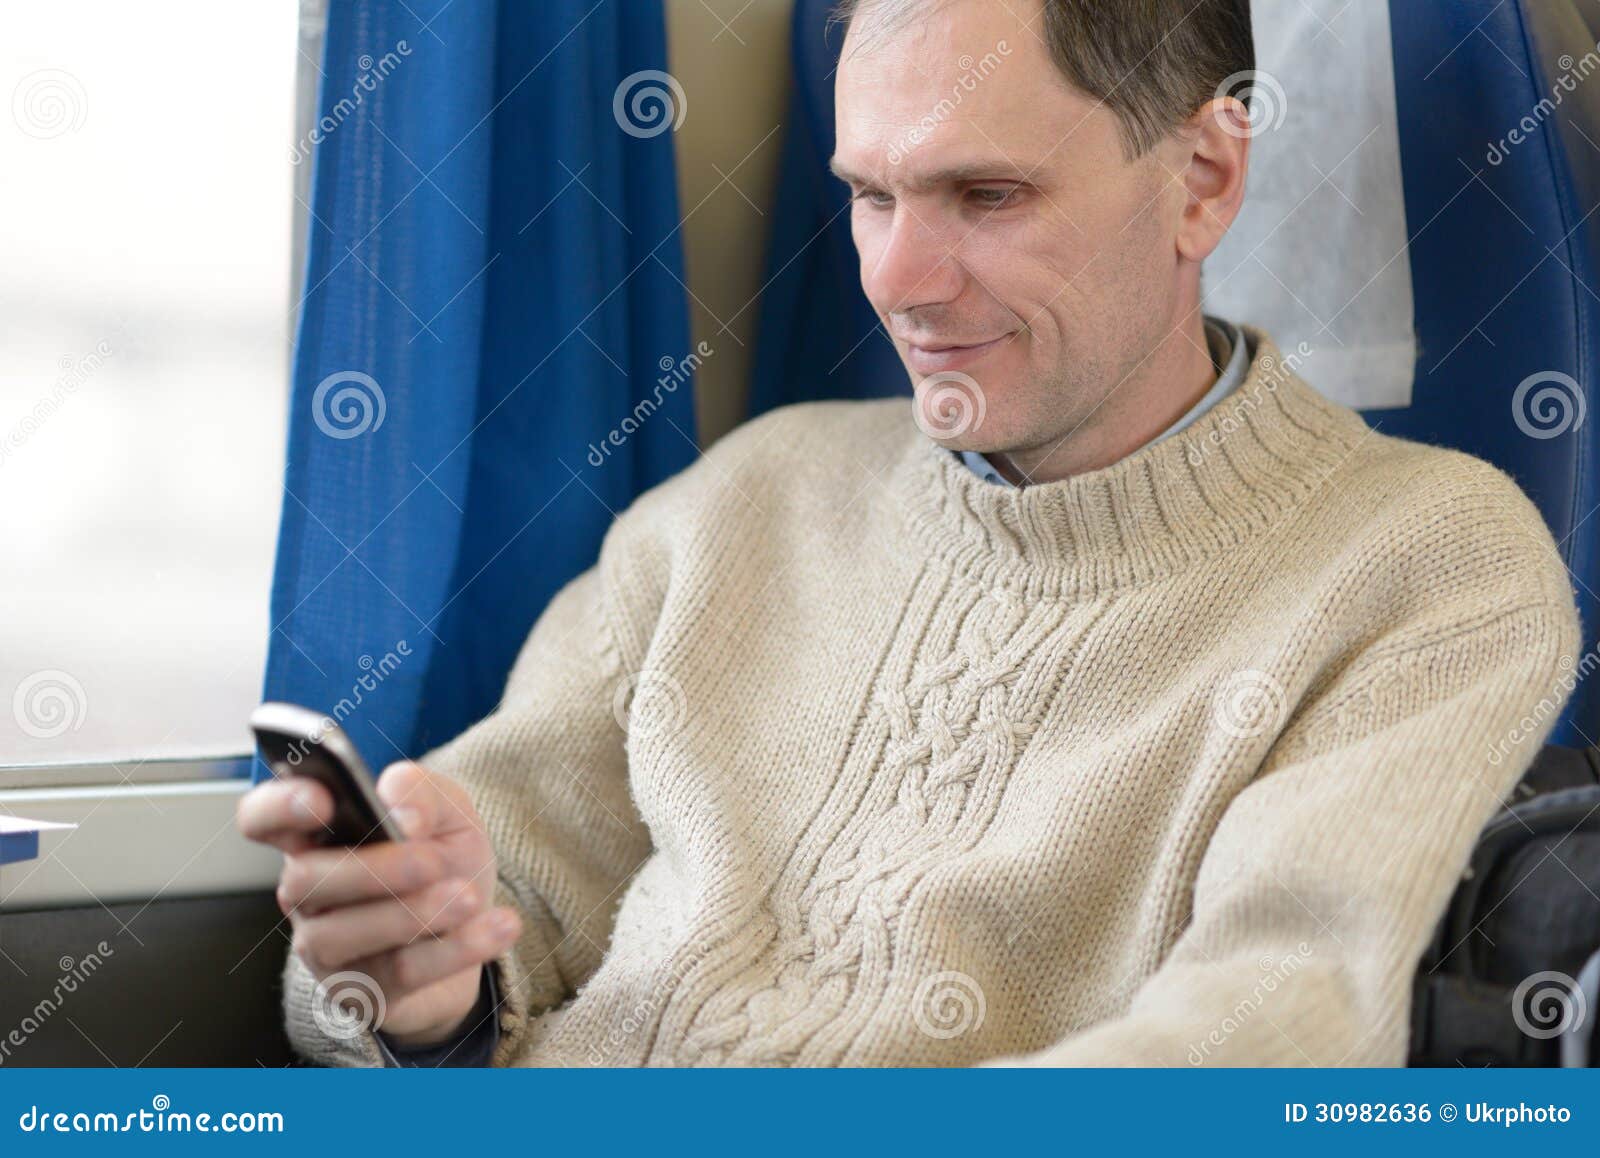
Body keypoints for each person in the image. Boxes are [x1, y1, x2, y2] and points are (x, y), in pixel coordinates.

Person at [236, 0, 1582, 1067]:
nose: (898, 279)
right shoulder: (742, 500)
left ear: (1204, 178)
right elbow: (479, 922)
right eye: (872, 196)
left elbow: (1274, 1025)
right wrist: (416, 987)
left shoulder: (1431, 563)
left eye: (985, 196)